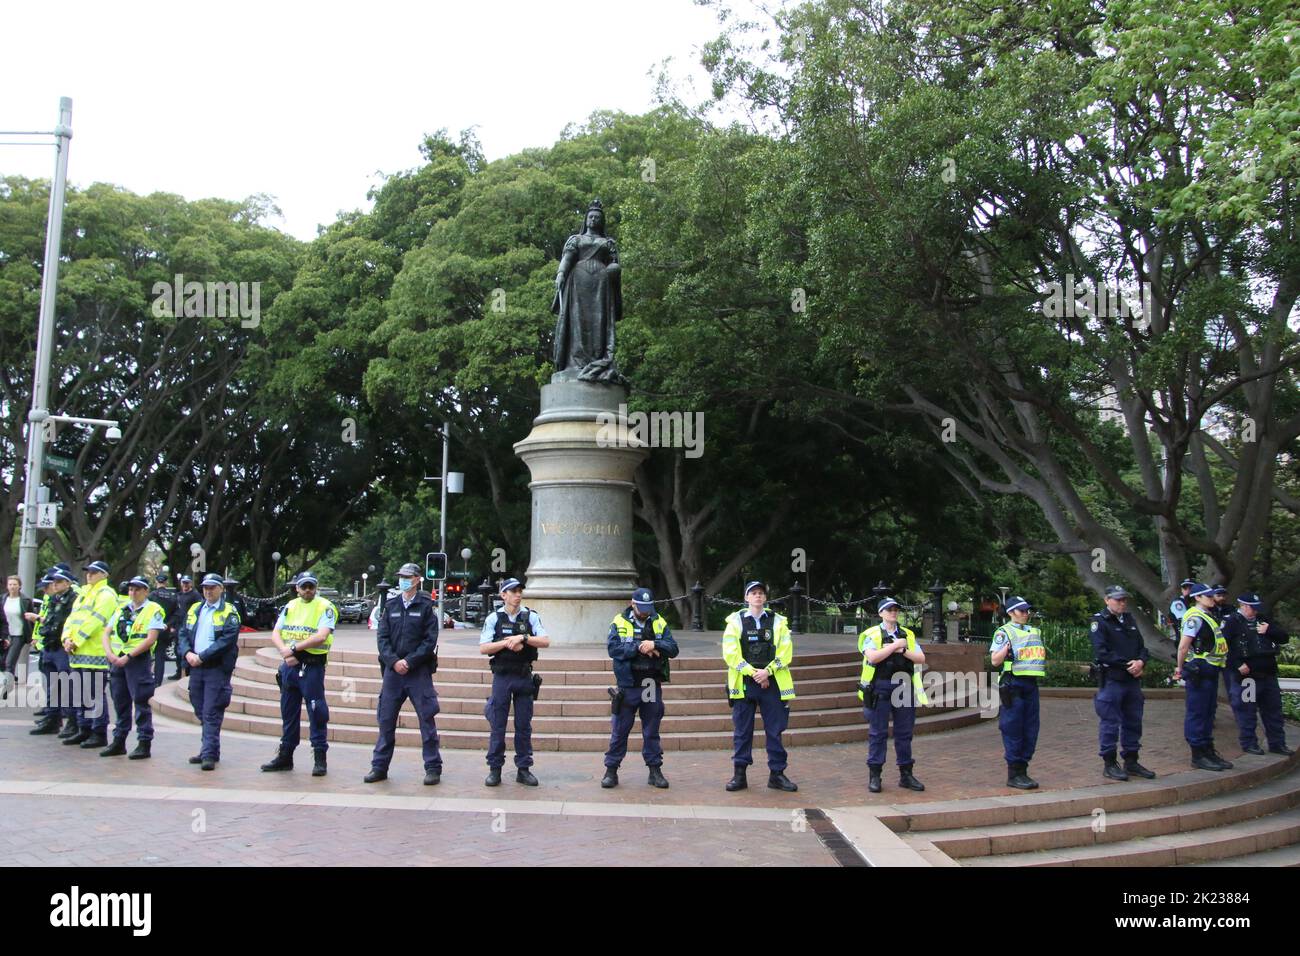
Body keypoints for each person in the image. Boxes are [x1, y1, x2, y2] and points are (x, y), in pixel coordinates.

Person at [365, 563, 442, 785]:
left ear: (417, 579)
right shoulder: (390, 605)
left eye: (408, 577)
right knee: (386, 719)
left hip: (417, 671)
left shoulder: (426, 606)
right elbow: (382, 638)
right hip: (393, 672)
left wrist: (409, 661)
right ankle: (379, 766)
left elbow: (430, 640)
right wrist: (394, 661)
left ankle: (433, 767)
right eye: (401, 577)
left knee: (427, 719)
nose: (403, 580)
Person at [721, 581, 798, 792]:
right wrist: (754, 673)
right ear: (746, 598)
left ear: (765, 598)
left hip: (773, 683)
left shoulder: (778, 622)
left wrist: (767, 672)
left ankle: (777, 774)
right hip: (744, 683)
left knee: (775, 731)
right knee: (742, 731)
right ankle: (739, 775)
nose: (757, 596)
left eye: (761, 593)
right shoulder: (735, 622)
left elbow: (785, 653)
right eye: (753, 593)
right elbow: (730, 653)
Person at [601, 587, 679, 789]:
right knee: (620, 730)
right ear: (632, 603)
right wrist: (637, 647)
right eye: (641, 607)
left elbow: (673, 648)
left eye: (648, 607)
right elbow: (613, 649)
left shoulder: (658, 621)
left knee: (651, 729)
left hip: (649, 683)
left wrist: (654, 644)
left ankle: (655, 771)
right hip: (628, 684)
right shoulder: (619, 621)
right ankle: (611, 770)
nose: (645, 611)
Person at [261, 573, 336, 776]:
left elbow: (321, 636)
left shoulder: (325, 606)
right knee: (288, 712)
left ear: (316, 587)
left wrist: (293, 649)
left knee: (317, 711)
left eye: (311, 586)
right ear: (297, 588)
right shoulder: (290, 606)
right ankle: (285, 755)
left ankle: (320, 757)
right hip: (290, 667)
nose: (307, 590)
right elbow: (276, 633)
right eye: (304, 587)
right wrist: (285, 653)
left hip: (312, 666)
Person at [479, 578, 550, 787]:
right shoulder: (494, 618)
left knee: (523, 725)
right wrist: (506, 643)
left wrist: (523, 638)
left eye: (519, 591)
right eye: (513, 591)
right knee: (498, 725)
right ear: (503, 595)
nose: (518, 595)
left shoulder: (531, 616)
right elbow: (484, 647)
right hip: (502, 676)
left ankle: (523, 768)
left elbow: (545, 640)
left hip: (523, 676)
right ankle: (495, 769)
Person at [858, 597, 928, 793]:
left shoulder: (908, 635)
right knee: (878, 733)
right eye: (889, 609)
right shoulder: (872, 634)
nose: (893, 612)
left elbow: (920, 658)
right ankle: (875, 775)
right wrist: (893, 647)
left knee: (904, 733)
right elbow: (872, 656)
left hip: (904, 687)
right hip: (880, 686)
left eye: (896, 609)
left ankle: (906, 774)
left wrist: (903, 649)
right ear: (880, 613)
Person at [1089, 584, 1155, 781]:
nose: (1122, 603)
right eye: (1118, 600)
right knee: (1110, 723)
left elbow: (1142, 647)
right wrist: (1128, 664)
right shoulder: (1099, 622)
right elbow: (1102, 652)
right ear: (1107, 600)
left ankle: (1132, 761)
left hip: (1132, 681)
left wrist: (1141, 661)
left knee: (1133, 721)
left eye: (1124, 599)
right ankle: (1110, 764)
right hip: (1112, 680)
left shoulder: (1129, 619)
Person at [177, 573, 242, 770]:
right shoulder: (196, 608)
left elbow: (226, 641)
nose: (208, 591)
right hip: (196, 667)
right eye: (205, 587)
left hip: (215, 668)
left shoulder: (229, 612)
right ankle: (210, 748)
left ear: (221, 589)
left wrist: (202, 656)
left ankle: (208, 753)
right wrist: (187, 652)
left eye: (212, 587)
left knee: (211, 711)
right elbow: (183, 632)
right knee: (199, 707)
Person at [99, 576, 166, 760]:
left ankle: (144, 742)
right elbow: (106, 632)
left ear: (146, 591)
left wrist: (129, 656)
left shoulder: (154, 609)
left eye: (137, 589)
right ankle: (119, 740)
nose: (133, 593)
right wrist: (110, 654)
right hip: (118, 659)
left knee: (141, 701)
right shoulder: (122, 608)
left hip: (137, 660)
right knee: (120, 701)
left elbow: (151, 638)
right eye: (130, 589)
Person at [1222, 592, 1292, 756]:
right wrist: (1237, 664)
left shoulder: (1263, 620)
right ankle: (1249, 743)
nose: (1254, 612)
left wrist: (1270, 630)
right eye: (1252, 608)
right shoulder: (1232, 621)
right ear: (1244, 606)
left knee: (1273, 710)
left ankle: (1277, 743)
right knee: (1247, 711)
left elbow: (1284, 637)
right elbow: (1222, 646)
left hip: (1268, 673)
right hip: (1248, 677)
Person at [1173, 583, 1233, 771]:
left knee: (1208, 712)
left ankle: (1208, 750)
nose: (1212, 598)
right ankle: (1198, 754)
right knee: (1197, 713)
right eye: (1207, 596)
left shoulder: (1208, 615)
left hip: (1210, 669)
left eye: (1211, 595)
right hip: (1199, 669)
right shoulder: (1194, 617)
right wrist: (1180, 668)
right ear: (1197, 597)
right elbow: (1183, 646)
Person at [990, 596, 1046, 790]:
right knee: (1013, 727)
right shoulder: (1003, 632)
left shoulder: (1034, 631)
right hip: (1013, 683)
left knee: (1031, 728)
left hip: (1030, 683)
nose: (1026, 614)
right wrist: (1005, 650)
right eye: (1022, 611)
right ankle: (1014, 773)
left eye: (1027, 611)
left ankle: (1023, 769)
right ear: (1011, 613)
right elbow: (995, 661)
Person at [61, 560, 119, 749]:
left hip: (95, 652)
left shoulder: (107, 594)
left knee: (94, 695)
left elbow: (96, 620)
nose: (89, 575)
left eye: (94, 572)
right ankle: (83, 729)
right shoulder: (83, 594)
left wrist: (74, 640)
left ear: (104, 575)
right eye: (88, 572)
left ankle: (99, 732)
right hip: (77, 653)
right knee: (80, 693)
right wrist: (66, 639)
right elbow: (71, 619)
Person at [28, 568, 78, 736]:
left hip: (62, 647)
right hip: (50, 645)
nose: (54, 585)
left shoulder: (74, 599)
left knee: (65, 686)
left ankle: (72, 722)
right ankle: (52, 719)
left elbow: (72, 624)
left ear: (67, 583)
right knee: (53, 686)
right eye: (53, 582)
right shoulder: (54, 599)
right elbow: (49, 620)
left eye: (58, 582)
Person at [3, 574, 35, 700]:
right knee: (2, 662)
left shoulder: (25, 601)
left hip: (18, 635)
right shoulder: (3, 599)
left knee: (9, 662)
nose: (12, 587)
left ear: (19, 586)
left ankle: (6, 690)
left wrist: (33, 635)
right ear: (7, 586)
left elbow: (31, 620)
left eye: (15, 584)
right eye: (10, 584)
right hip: (4, 634)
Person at [148, 573, 179, 686]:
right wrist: (167, 624)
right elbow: (177, 614)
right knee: (160, 657)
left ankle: (147, 678)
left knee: (147, 654)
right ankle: (157, 682)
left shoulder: (151, 595)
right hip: (164, 630)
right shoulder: (172, 596)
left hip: (151, 630)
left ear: (157, 582)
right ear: (166, 583)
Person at [169, 575, 200, 680]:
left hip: (190, 626)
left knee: (188, 649)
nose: (185, 585)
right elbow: (175, 612)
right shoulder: (178, 595)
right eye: (184, 583)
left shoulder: (195, 595)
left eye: (187, 583)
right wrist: (172, 625)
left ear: (191, 583)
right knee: (178, 649)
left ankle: (188, 673)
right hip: (178, 626)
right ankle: (179, 672)